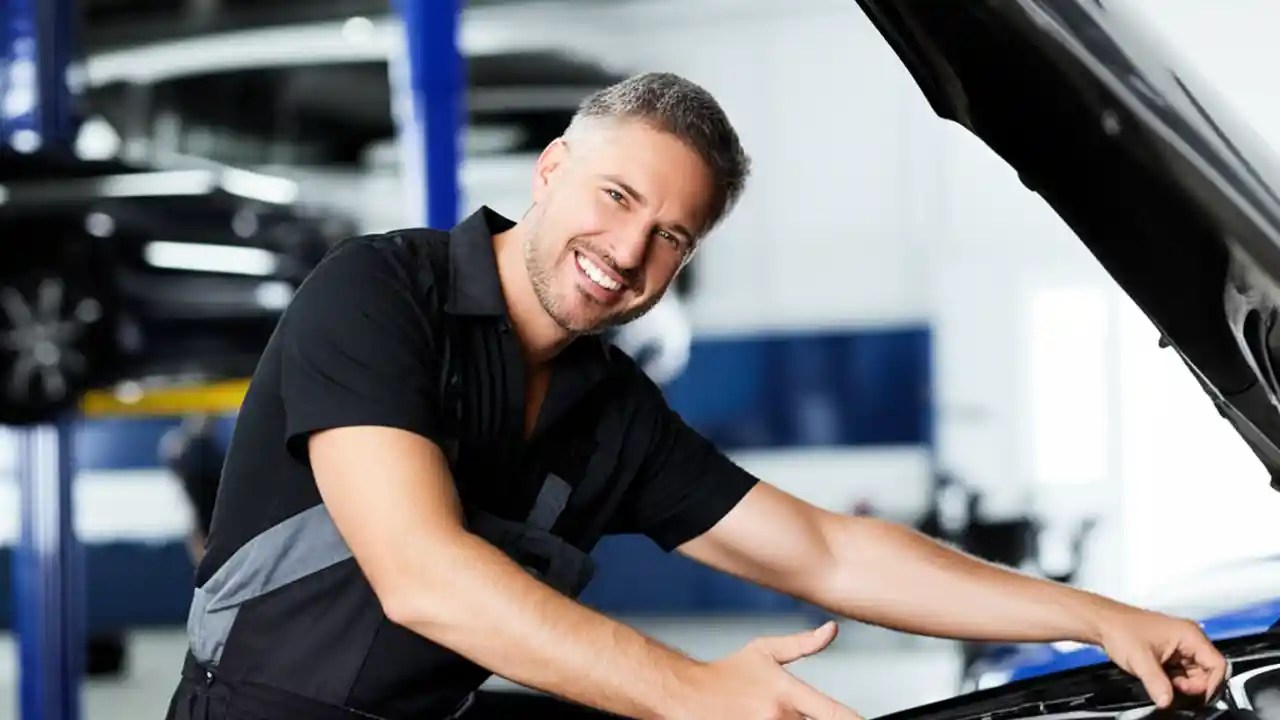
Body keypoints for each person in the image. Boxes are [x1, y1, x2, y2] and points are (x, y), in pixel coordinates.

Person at [165, 72, 1226, 720]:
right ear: (549, 170)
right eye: (615, 196)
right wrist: (691, 693)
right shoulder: (380, 292)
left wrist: (1097, 616)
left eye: (670, 235)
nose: (626, 252)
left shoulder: (606, 408)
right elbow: (423, 575)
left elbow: (823, 552)